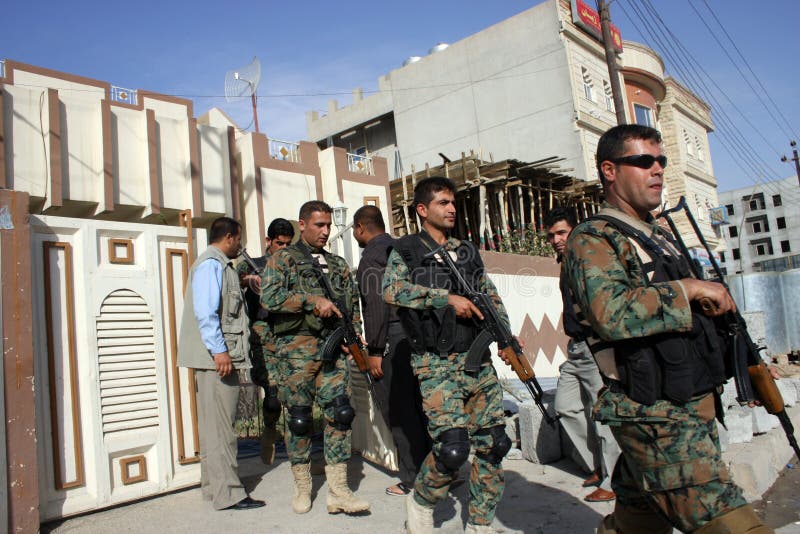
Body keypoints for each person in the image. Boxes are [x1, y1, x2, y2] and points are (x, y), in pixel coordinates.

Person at [565, 124, 769, 533]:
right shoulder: (594, 238)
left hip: (687, 402)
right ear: (609, 170)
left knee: (641, 512)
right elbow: (611, 312)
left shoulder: (658, 236)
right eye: (643, 161)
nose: (657, 169)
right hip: (655, 410)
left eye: (661, 161)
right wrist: (689, 289)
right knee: (724, 517)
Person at [383, 177, 513, 534]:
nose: (452, 208)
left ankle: (481, 523)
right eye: (443, 203)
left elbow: (490, 295)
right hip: (436, 363)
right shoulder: (407, 250)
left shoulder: (466, 250)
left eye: (453, 202)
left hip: (477, 359)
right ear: (423, 210)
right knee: (452, 449)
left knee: (494, 443)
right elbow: (392, 291)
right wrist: (445, 299)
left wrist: (506, 337)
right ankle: (422, 501)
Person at [260, 200, 370, 516]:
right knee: (299, 419)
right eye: (319, 225)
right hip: (296, 353)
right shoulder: (283, 260)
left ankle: (338, 491)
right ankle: (303, 487)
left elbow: (352, 307)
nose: (325, 231)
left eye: (328, 226)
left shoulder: (338, 265)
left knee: (341, 413)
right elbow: (270, 297)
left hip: (334, 351)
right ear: (303, 224)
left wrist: (354, 336)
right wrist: (311, 301)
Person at [177, 216, 266, 511]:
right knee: (222, 430)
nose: (240, 246)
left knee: (213, 428)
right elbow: (206, 313)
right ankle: (229, 493)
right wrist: (220, 352)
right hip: (216, 360)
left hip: (214, 358)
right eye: (239, 239)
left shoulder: (217, 266)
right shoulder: (211, 264)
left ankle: (213, 488)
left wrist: (245, 280)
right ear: (229, 237)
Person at [352, 205, 432, 498]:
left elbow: (375, 308)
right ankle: (438, 472)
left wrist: (374, 349)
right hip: (417, 337)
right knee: (423, 407)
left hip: (391, 338)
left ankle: (413, 478)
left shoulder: (372, 258)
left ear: (361, 227)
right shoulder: (405, 249)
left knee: (398, 412)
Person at [545, 207, 620, 503]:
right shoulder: (567, 262)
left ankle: (613, 480)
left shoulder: (586, 259)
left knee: (601, 414)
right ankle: (597, 465)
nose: (555, 239)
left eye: (561, 232)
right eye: (551, 235)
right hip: (575, 348)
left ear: (575, 230)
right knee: (565, 406)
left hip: (593, 347)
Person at [237, 218, 295, 465]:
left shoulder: (293, 265)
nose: (283, 249)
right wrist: (251, 280)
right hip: (264, 336)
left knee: (297, 397)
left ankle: (297, 452)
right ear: (268, 241)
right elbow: (238, 277)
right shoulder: (253, 265)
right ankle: (270, 429)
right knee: (272, 396)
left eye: (287, 244)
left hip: (291, 335)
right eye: (278, 243)